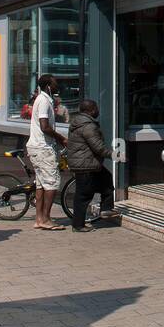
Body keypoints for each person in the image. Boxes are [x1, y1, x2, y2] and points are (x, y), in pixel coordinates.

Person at [66, 100, 116, 232]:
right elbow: (98, 147)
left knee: (106, 180)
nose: (98, 111)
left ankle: (106, 209)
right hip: (86, 164)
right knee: (83, 195)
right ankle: (78, 225)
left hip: (87, 163)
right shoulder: (88, 126)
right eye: (97, 108)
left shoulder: (77, 122)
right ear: (92, 110)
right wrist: (114, 155)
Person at [26, 73, 67, 230]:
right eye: (55, 83)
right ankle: (46, 219)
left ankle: (39, 219)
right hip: (43, 148)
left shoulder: (42, 100)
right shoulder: (43, 101)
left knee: (41, 184)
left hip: (38, 147)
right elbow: (45, 126)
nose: (57, 85)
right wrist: (61, 138)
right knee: (51, 183)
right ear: (49, 86)